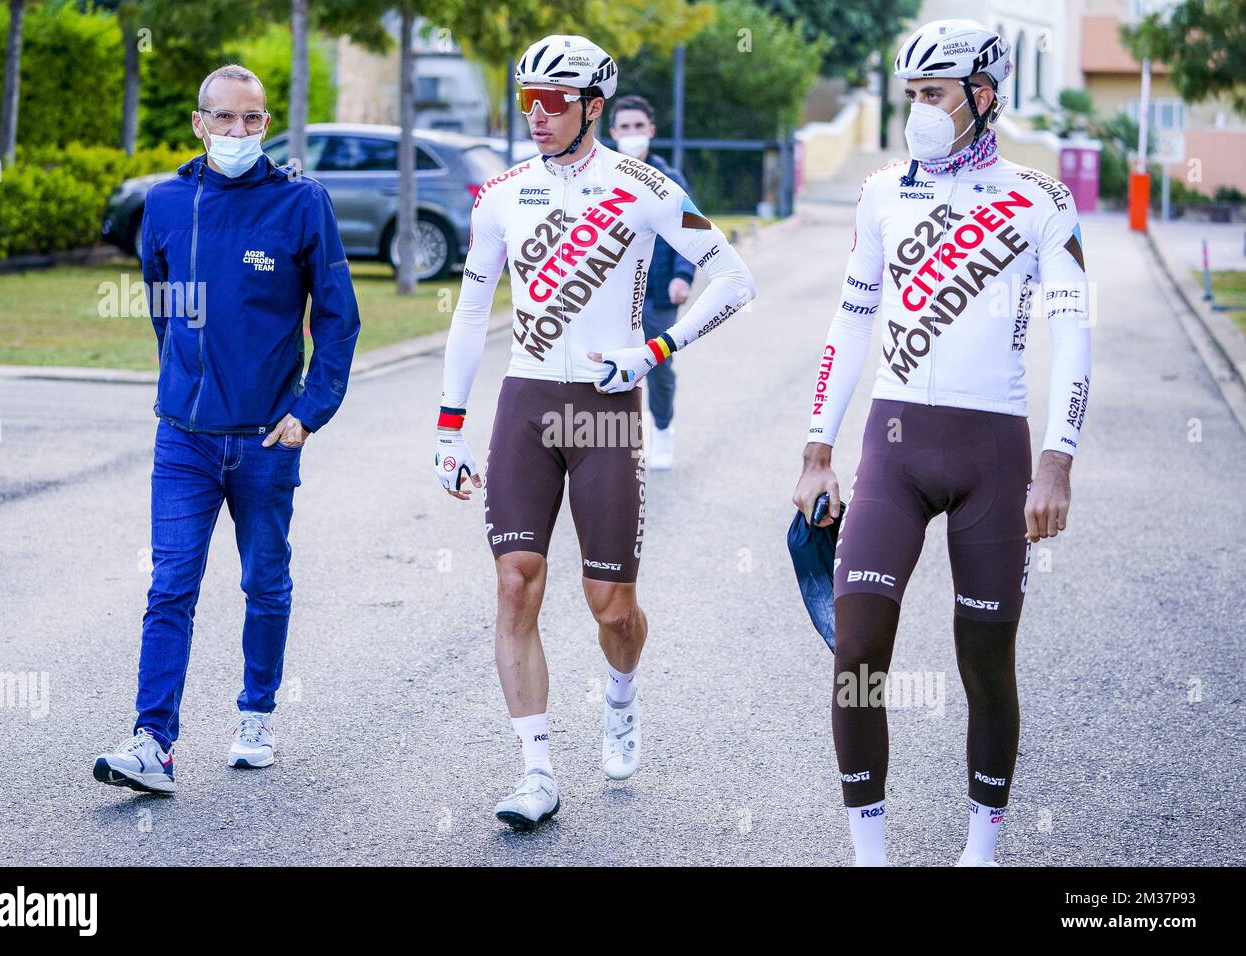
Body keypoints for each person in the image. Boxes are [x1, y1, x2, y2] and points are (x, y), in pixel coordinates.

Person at [435, 34, 757, 830]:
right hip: (526, 401)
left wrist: (656, 350)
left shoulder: (643, 185)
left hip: (606, 410)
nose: (537, 115)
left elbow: (735, 278)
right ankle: (537, 771)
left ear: (593, 107)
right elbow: (473, 312)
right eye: (526, 100)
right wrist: (449, 426)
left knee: (611, 606)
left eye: (553, 101)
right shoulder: (502, 194)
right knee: (516, 581)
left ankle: (621, 694)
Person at [790, 20, 1091, 865]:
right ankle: (869, 855)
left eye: (934, 95)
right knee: (856, 651)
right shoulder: (883, 191)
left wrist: (1058, 459)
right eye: (911, 96)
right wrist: (819, 446)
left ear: (983, 97)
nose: (918, 111)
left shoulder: (1040, 197)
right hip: (893, 447)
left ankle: (981, 849)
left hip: (994, 454)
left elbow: (1073, 331)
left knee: (986, 659)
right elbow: (851, 321)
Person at [93, 64, 361, 793]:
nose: (238, 131)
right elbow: (164, 302)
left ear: (266, 124)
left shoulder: (302, 203)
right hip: (182, 436)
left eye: (252, 119)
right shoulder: (169, 201)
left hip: (266, 439)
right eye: (224, 118)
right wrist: (180, 376)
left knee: (265, 581)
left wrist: (310, 409)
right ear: (198, 122)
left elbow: (338, 318)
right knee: (171, 584)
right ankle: (153, 742)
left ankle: (256, 714)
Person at [608, 95, 696, 469]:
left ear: (651, 131)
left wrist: (682, 276)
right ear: (612, 133)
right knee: (608, 367)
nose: (632, 133)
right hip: (609, 294)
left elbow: (691, 232)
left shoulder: (669, 180)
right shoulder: (602, 177)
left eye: (638, 127)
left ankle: (662, 433)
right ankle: (612, 443)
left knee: (658, 366)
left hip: (658, 294)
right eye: (624, 127)